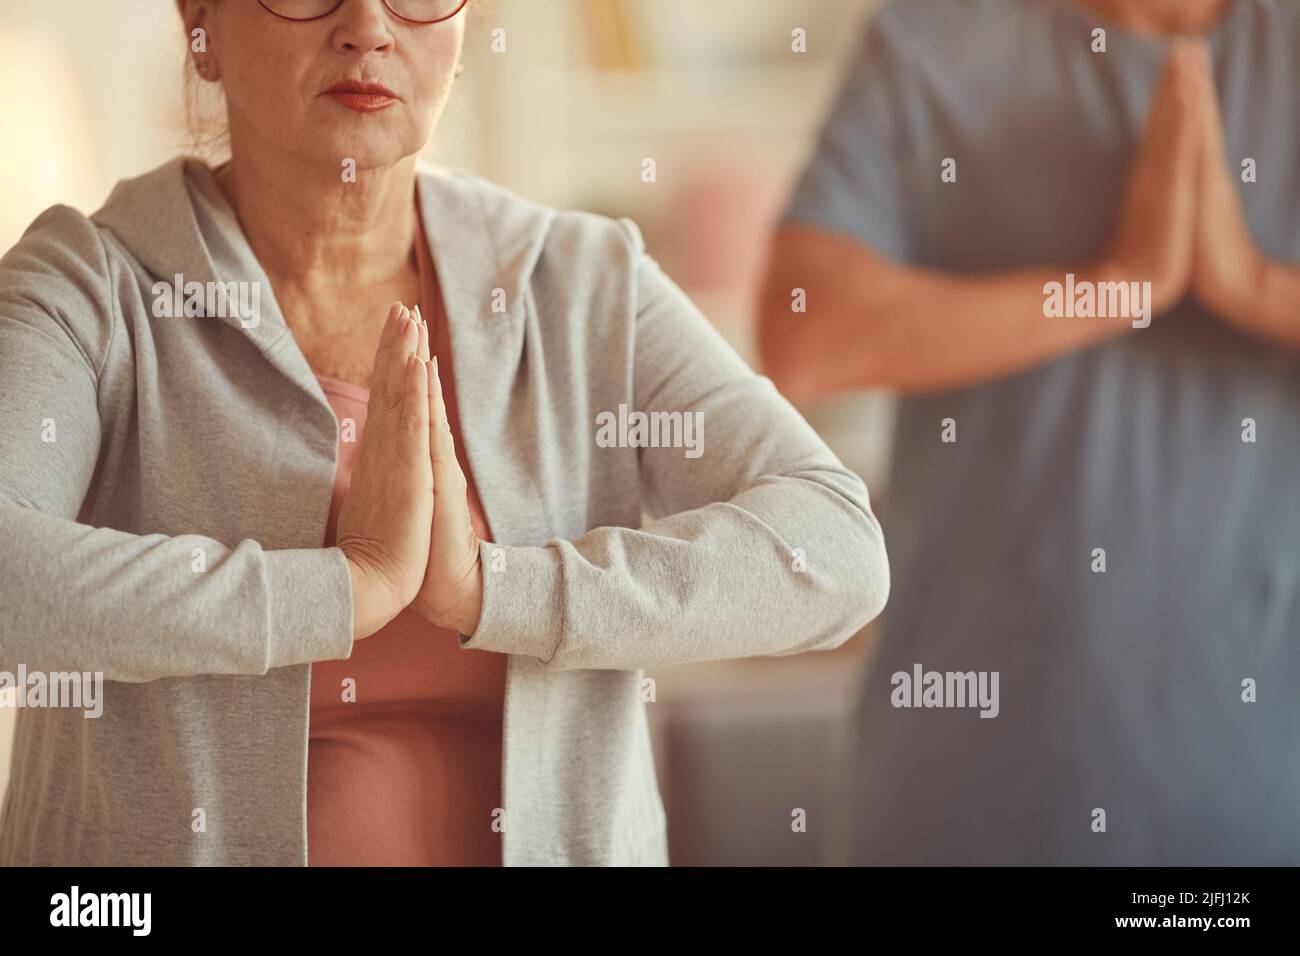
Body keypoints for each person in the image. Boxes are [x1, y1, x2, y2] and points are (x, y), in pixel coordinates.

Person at [0, 0, 890, 866]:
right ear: (202, 28)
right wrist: (344, 591)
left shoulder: (579, 283)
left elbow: (839, 549)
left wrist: (495, 593)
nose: (368, 26)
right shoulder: (89, 284)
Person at [760, 0, 1300, 864]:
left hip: (1262, 809)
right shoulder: (931, 38)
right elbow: (804, 331)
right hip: (966, 810)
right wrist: (1113, 286)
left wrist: (1249, 287)